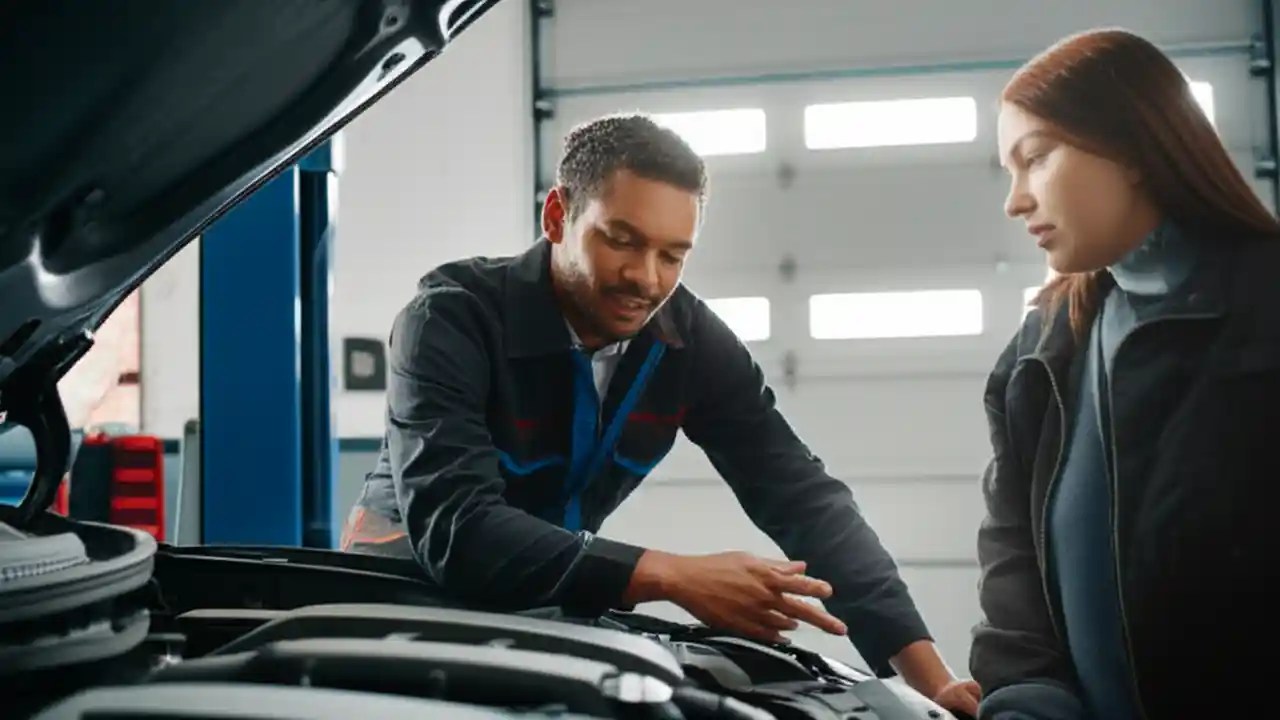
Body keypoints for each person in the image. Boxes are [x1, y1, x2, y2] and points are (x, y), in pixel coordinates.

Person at [341, 113, 980, 715]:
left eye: (673, 255)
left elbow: (804, 499)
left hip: (547, 606)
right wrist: (671, 576)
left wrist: (934, 682)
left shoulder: (688, 340)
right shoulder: (453, 317)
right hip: (400, 606)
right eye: (622, 241)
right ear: (558, 214)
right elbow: (459, 528)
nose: (646, 279)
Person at [972, 28, 1280, 720]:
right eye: (1008, 173)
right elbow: (1013, 578)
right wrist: (1024, 702)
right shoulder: (1038, 355)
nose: (1015, 201)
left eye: (1036, 158)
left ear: (1134, 147)